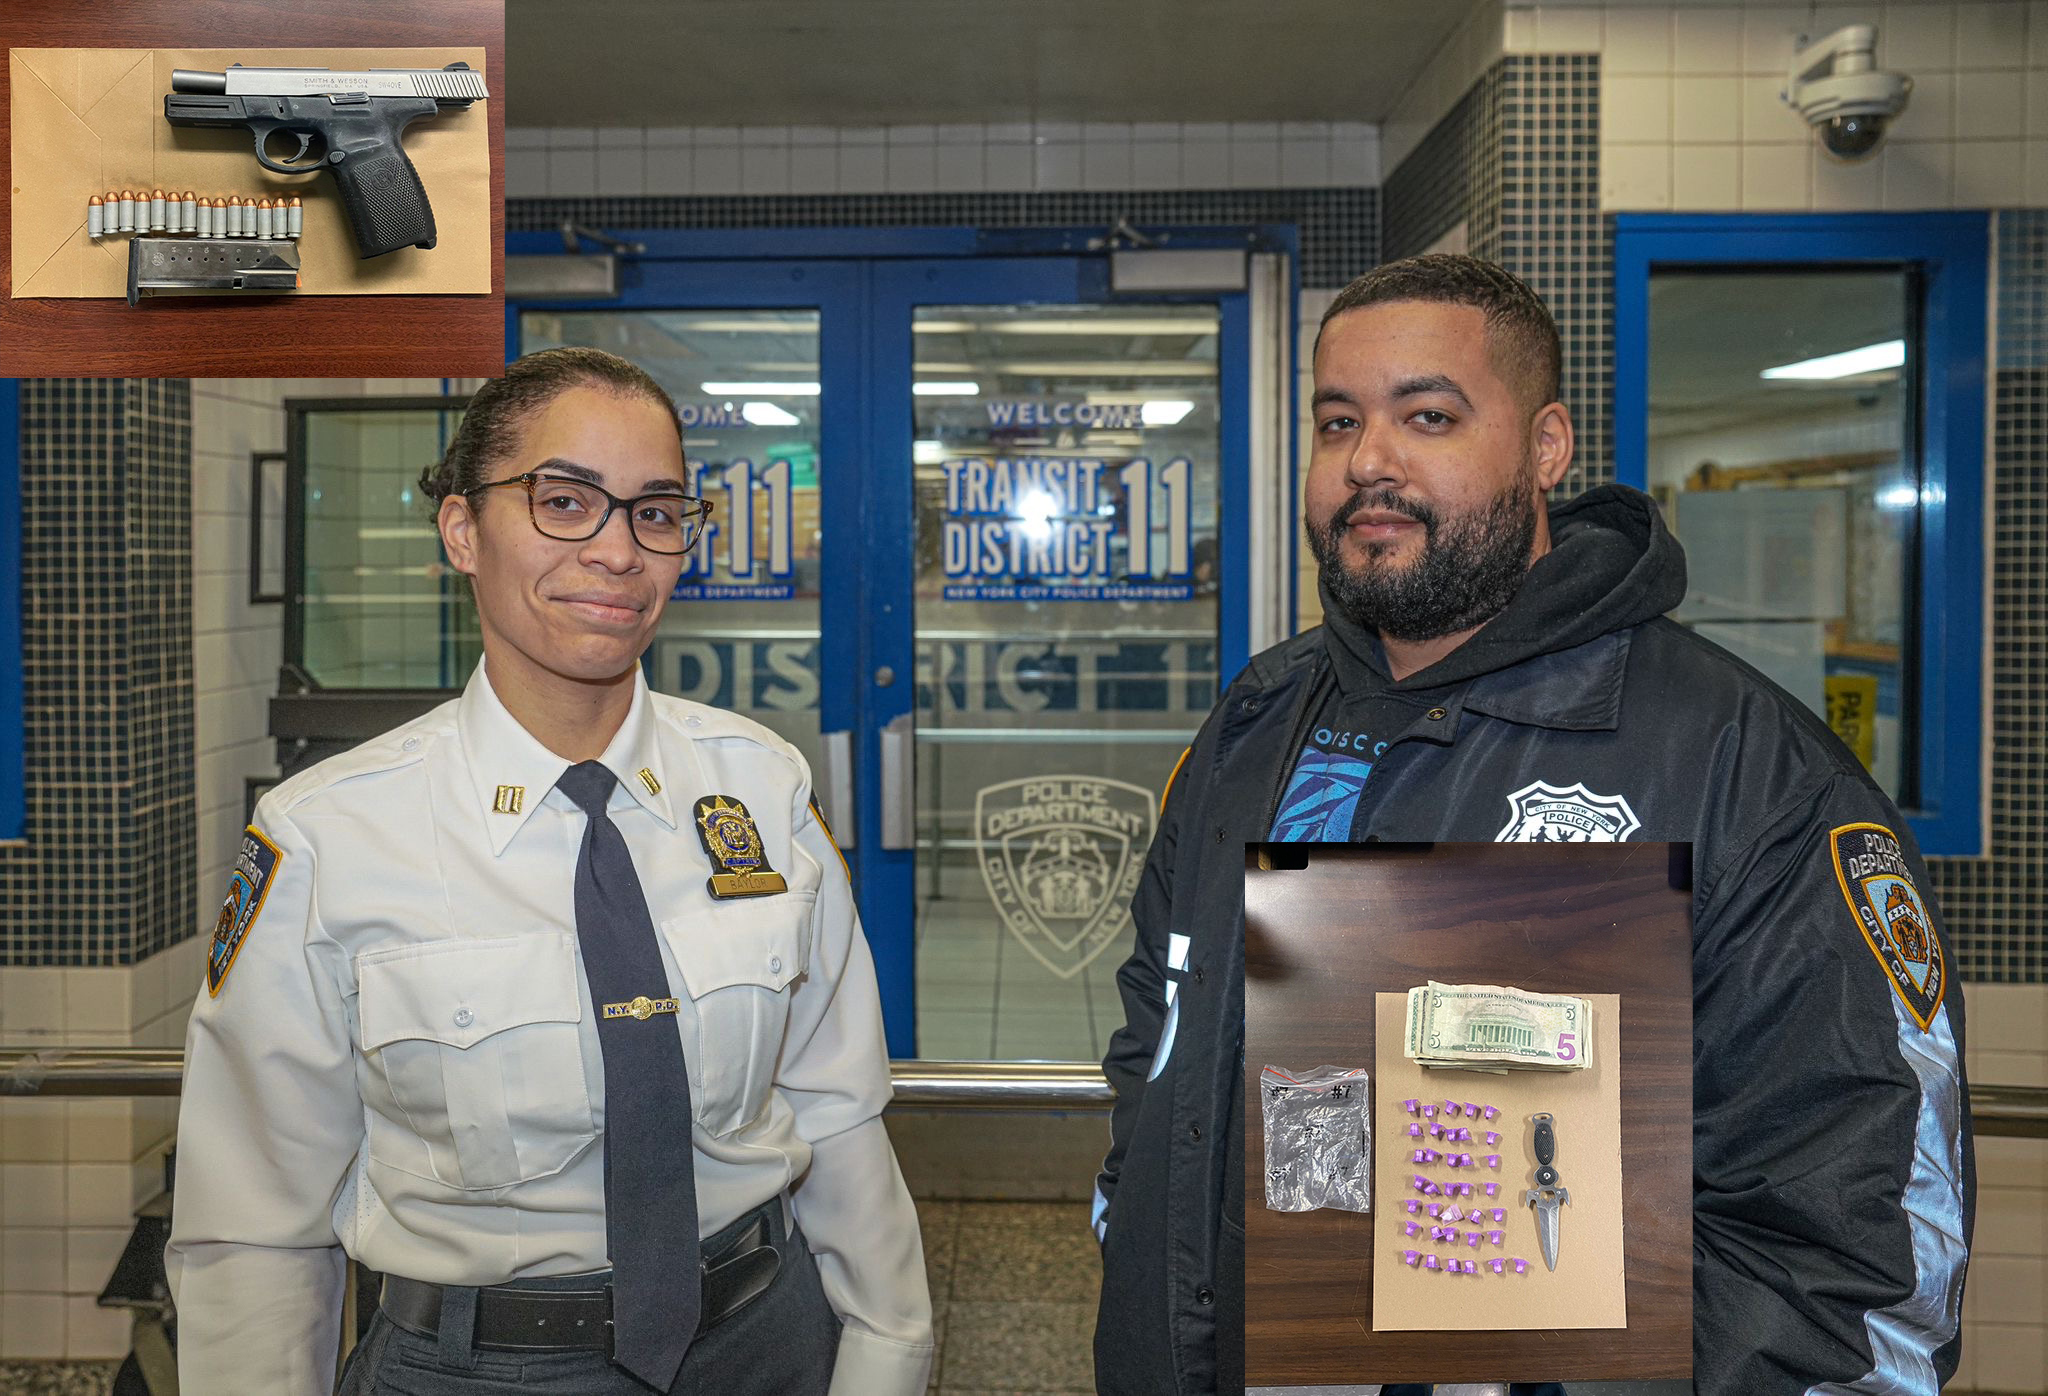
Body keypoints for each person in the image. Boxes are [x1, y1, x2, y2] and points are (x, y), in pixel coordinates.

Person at [1093, 254, 1972, 1395]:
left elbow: (1857, 1246)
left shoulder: (1735, 765)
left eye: (1428, 415)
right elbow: (1155, 1041)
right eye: (1336, 420)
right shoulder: (1256, 724)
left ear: (1544, 448)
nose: (1369, 460)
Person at [167, 347, 934, 1395]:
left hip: (767, 1345)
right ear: (460, 530)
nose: (618, 551)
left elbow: (838, 1118)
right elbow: (253, 1227)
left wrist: (888, 1355)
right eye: (565, 501)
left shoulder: (759, 790)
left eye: (655, 512)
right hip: (478, 1369)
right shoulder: (329, 837)